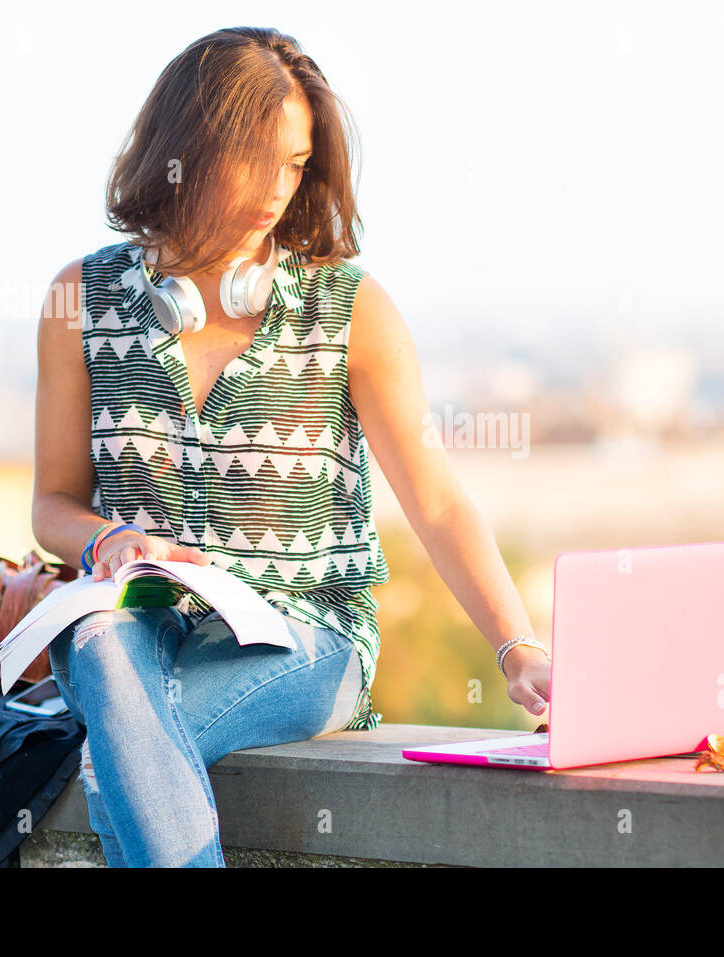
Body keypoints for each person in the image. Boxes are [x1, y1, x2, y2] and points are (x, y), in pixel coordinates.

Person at [31, 26, 551, 868]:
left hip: (307, 636)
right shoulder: (81, 299)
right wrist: (104, 539)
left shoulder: (348, 309)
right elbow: (50, 504)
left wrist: (516, 642)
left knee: (117, 750)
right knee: (101, 646)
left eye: (297, 163)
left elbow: (437, 497)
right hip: (143, 626)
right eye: (257, 158)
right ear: (186, 147)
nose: (280, 188)